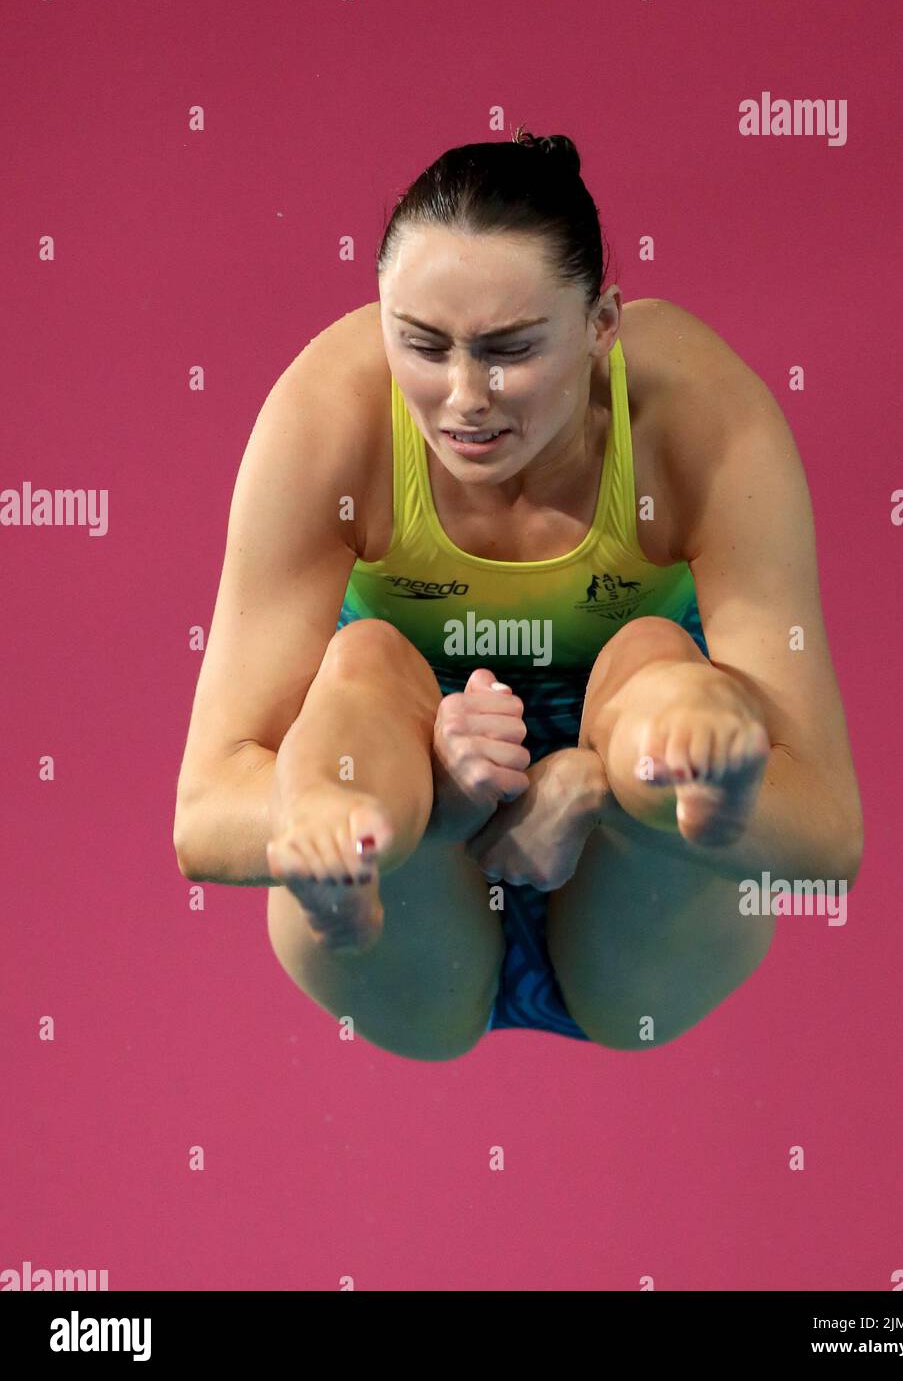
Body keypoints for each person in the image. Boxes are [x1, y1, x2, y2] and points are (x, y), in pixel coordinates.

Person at [173, 129, 863, 1060]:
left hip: (638, 895)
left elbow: (824, 828)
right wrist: (416, 805)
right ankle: (360, 833)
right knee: (363, 668)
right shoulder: (328, 416)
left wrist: (598, 789)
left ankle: (681, 792)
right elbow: (206, 809)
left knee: (655, 667)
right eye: (421, 343)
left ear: (602, 326)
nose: (464, 396)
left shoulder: (698, 414)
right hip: (407, 883)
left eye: (510, 349)